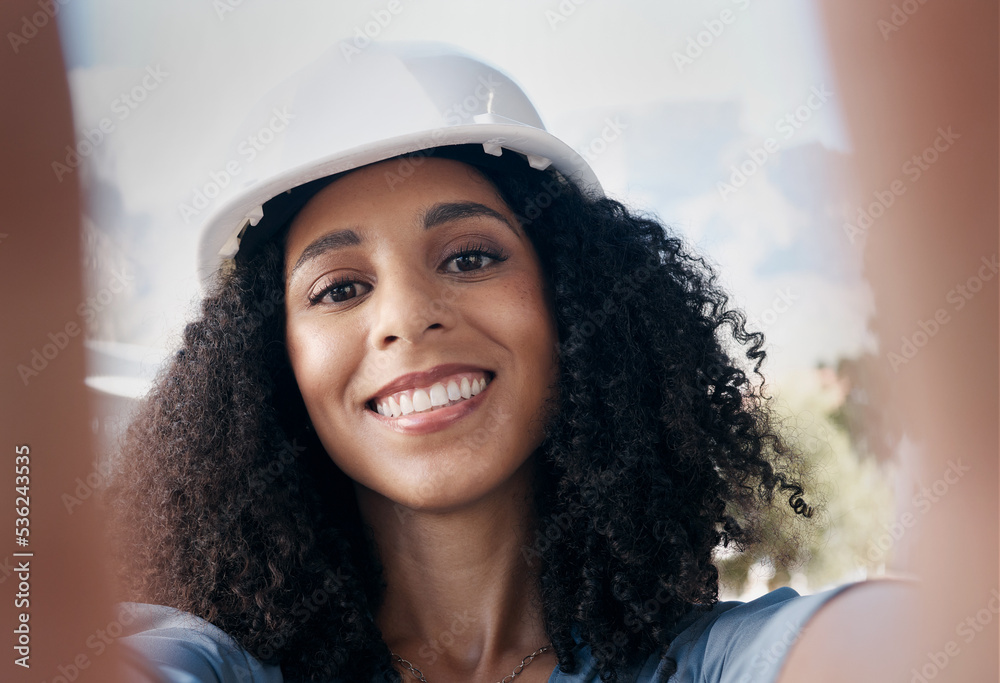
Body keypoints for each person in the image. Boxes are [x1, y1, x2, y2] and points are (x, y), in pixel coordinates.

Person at [104, 42, 903, 683]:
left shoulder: (704, 666)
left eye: (469, 258)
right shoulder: (213, 665)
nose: (408, 315)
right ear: (272, 364)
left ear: (572, 306)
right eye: (340, 287)